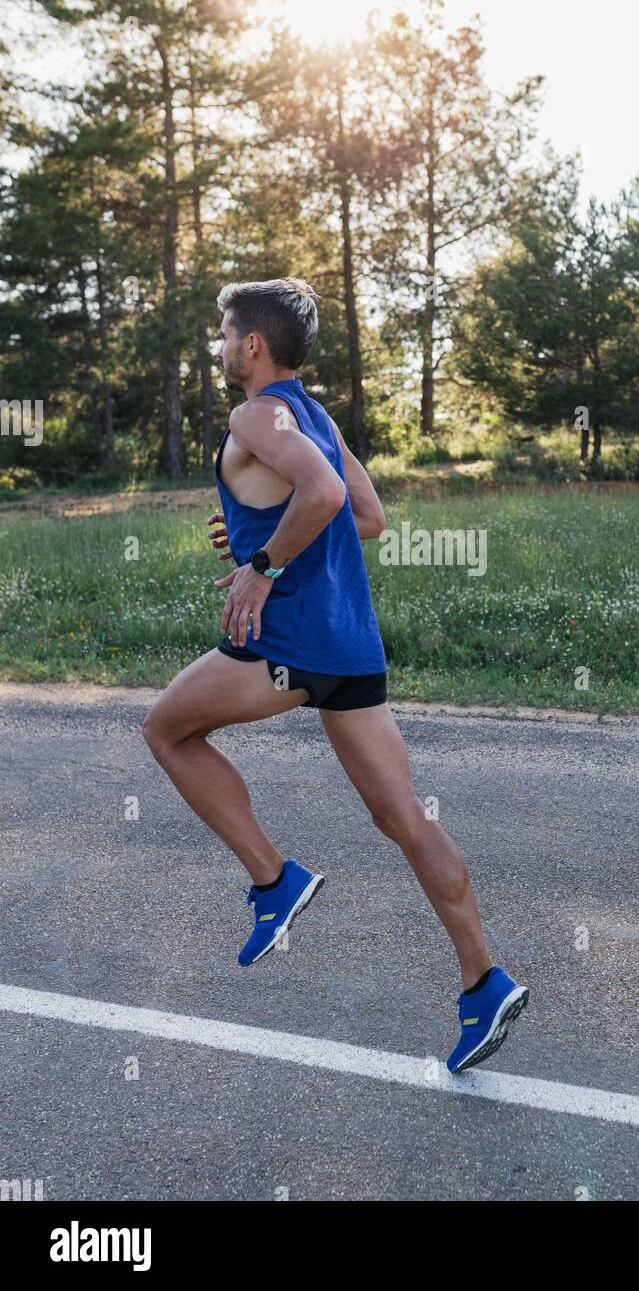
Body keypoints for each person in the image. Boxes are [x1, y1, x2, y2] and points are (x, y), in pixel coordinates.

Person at [142, 277, 528, 1073]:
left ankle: (274, 881)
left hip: (291, 641)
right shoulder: (315, 418)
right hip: (351, 648)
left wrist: (260, 566)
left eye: (224, 335)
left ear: (252, 345)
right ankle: (483, 980)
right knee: (405, 819)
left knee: (167, 730)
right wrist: (258, 530)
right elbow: (367, 517)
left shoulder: (256, 414)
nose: (219, 348)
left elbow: (319, 494)